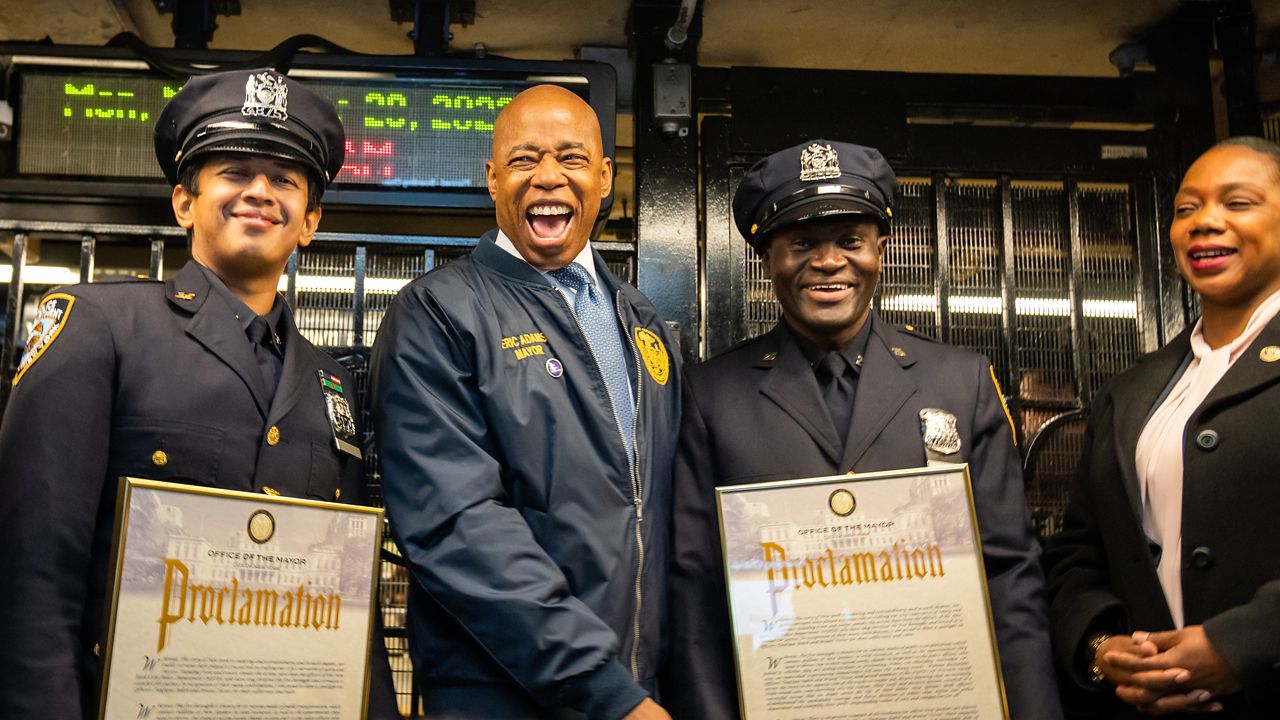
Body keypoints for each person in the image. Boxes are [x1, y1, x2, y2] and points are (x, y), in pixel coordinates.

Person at [0, 68, 397, 719]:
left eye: (285, 180)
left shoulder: (332, 385)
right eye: (236, 173)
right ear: (184, 202)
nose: (260, 192)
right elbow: (30, 574)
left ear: (310, 222)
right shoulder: (99, 328)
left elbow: (352, 597)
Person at [663, 139, 1062, 720]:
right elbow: (696, 595)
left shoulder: (961, 382)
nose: (828, 262)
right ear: (768, 258)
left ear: (881, 249)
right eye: (801, 243)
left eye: (851, 241)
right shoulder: (713, 396)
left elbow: (1008, 575)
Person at [369, 84, 680, 719]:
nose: (547, 177)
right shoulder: (437, 312)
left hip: (641, 690)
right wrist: (606, 691)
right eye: (523, 159)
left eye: (570, 157)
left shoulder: (645, 322)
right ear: (490, 179)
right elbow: (458, 524)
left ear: (603, 176)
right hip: (510, 699)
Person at [1044, 136, 1280, 719]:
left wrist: (1244, 647)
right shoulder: (1132, 391)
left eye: (1238, 203)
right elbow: (1078, 552)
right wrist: (1103, 646)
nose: (1205, 222)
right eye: (1186, 208)